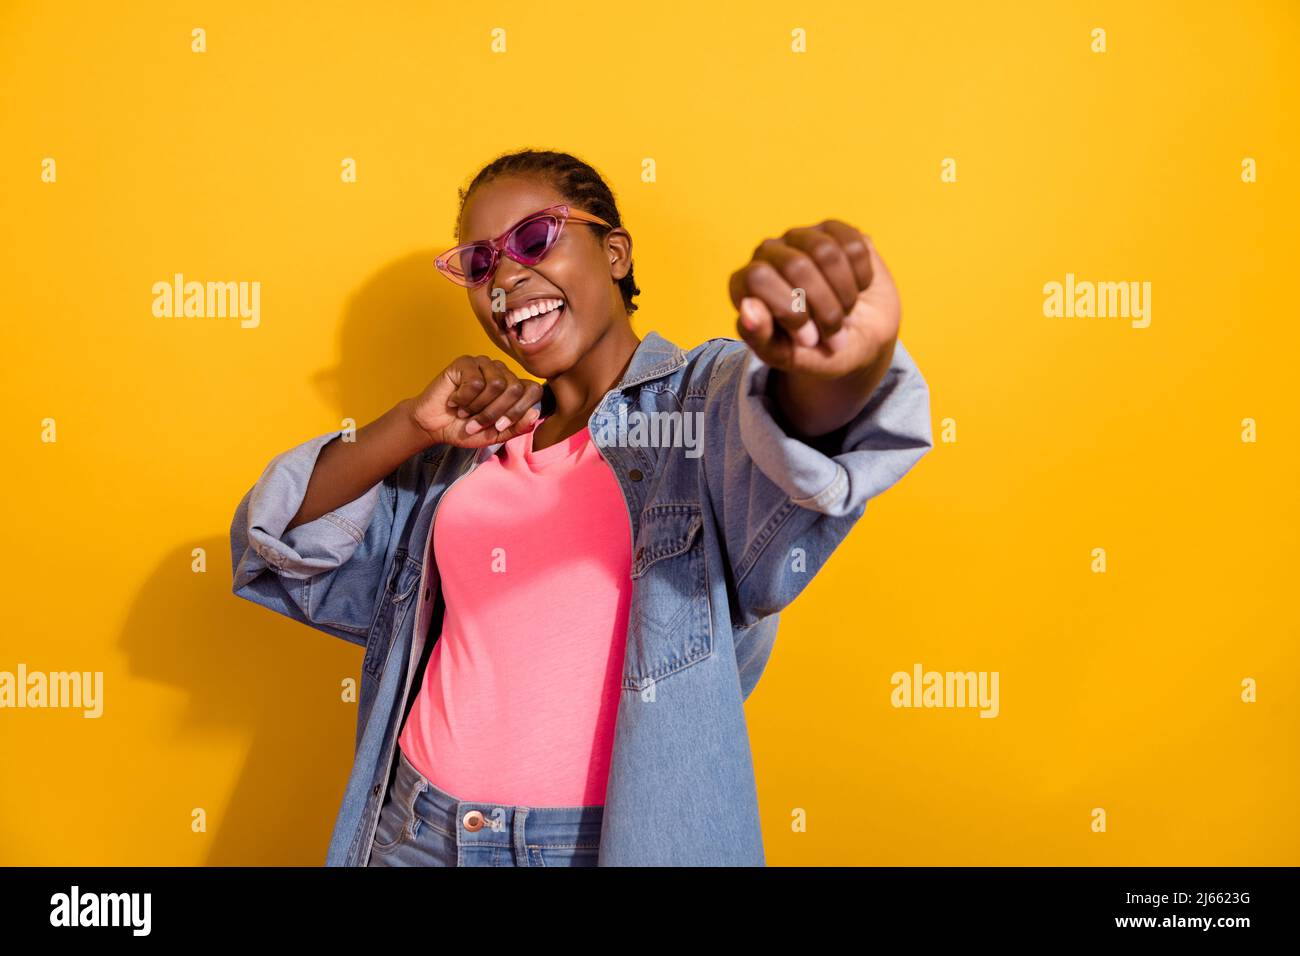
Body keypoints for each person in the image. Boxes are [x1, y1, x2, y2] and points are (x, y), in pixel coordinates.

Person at [229, 148, 933, 866]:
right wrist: (413, 422)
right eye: (479, 263)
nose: (504, 277)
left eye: (535, 239)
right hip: (415, 829)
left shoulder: (695, 407)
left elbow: (792, 430)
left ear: (616, 252)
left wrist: (841, 364)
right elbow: (280, 535)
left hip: (608, 844)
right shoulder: (470, 450)